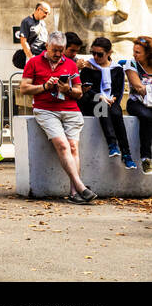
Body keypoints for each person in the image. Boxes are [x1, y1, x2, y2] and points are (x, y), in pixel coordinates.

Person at [21, 31, 97, 203]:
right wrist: (44, 87)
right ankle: (81, 187)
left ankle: (74, 193)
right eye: (54, 50)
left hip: (70, 109)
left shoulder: (70, 64)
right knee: (62, 145)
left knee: (73, 147)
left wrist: (67, 90)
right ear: (47, 46)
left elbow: (78, 93)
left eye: (61, 50)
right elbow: (24, 88)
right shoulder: (33, 62)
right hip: (46, 109)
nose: (57, 54)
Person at [78, 37, 135, 170]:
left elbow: (118, 92)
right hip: (92, 102)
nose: (96, 57)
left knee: (116, 112)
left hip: (110, 101)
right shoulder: (88, 67)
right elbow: (86, 90)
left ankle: (126, 154)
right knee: (102, 107)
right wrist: (101, 97)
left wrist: (111, 99)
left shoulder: (117, 69)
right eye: (93, 53)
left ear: (109, 53)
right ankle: (112, 144)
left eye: (100, 54)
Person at [124, 36, 152, 175]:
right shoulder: (131, 64)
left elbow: (144, 89)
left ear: (148, 54)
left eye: (138, 52)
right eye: (134, 51)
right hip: (136, 103)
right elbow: (138, 87)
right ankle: (146, 157)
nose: (134, 55)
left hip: (149, 101)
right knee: (146, 116)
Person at [14, 1, 51, 70]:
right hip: (34, 56)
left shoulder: (43, 23)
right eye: (45, 13)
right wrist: (31, 58)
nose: (46, 15)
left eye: (48, 14)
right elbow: (23, 42)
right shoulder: (26, 21)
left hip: (44, 56)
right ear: (38, 9)